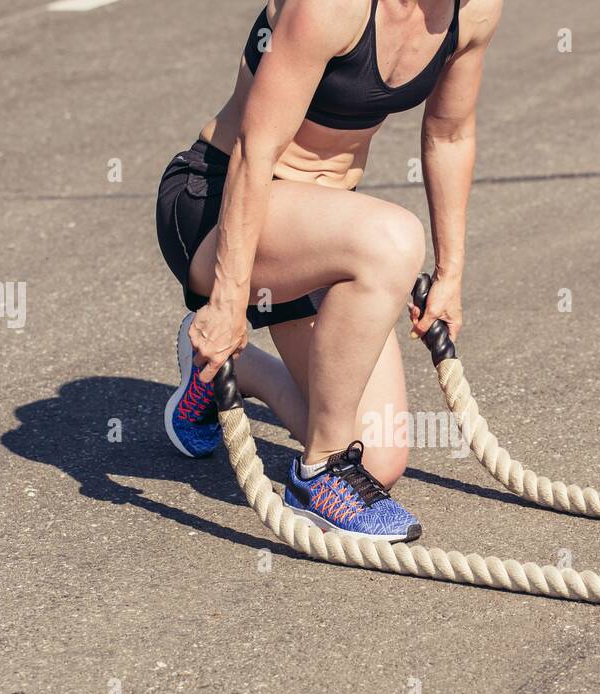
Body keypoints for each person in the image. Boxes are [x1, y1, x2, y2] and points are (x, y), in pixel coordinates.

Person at [156, 0, 501, 542]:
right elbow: (254, 150)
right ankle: (318, 474)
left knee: (381, 457)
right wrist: (226, 304)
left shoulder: (474, 10)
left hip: (317, 236)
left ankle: (235, 375)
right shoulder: (330, 7)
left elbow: (449, 133)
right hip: (219, 210)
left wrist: (450, 275)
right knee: (392, 238)